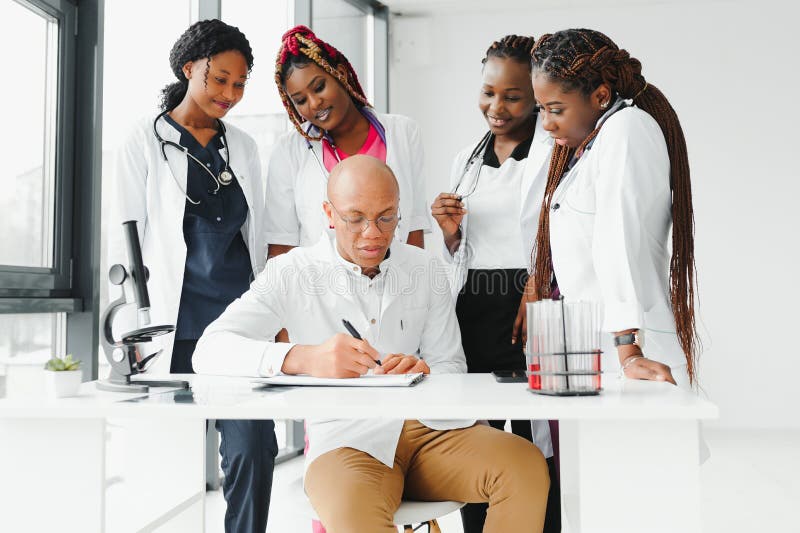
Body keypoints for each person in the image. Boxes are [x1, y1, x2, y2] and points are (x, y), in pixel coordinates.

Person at [193, 155, 550, 533]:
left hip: (432, 432)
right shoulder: (292, 272)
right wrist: (305, 358)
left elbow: (451, 366)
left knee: (525, 466)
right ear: (329, 214)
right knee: (356, 518)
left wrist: (426, 370)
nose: (373, 233)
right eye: (355, 218)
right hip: (347, 442)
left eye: (386, 217)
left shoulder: (424, 269)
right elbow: (210, 349)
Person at [108, 19, 277, 533]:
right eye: (219, 79)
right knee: (167, 465)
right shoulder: (143, 138)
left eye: (240, 83)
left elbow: (258, 237)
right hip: (172, 324)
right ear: (189, 69)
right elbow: (126, 237)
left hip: (235, 326)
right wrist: (128, 330)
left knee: (254, 447)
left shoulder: (243, 146)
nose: (230, 93)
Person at [514, 28, 699, 388]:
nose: (547, 123)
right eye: (541, 109)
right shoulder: (589, 146)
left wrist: (628, 350)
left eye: (556, 109)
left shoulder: (626, 130)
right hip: (601, 348)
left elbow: (618, 238)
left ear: (600, 95)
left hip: (632, 350)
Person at [430, 34, 560, 533]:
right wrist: (449, 231)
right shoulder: (466, 157)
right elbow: (463, 250)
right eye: (488, 92)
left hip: (530, 303)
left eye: (513, 96)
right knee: (477, 435)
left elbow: (557, 230)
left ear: (536, 96)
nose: (497, 106)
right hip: (473, 308)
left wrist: (536, 284)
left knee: (534, 436)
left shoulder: (552, 152)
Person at [265, 25, 429, 259]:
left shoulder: (403, 133)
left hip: (392, 284)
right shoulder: (289, 150)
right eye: (300, 100)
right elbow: (281, 244)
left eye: (319, 87)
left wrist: (414, 289)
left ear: (340, 72)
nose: (314, 104)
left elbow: (414, 226)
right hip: (319, 289)